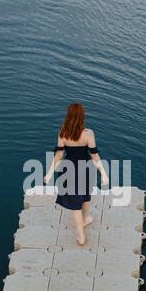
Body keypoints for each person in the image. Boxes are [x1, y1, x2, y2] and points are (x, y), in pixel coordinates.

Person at [43, 102, 108, 246]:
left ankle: (81, 234)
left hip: (69, 170)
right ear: (82, 117)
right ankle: (83, 225)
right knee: (85, 197)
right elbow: (95, 156)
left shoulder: (63, 133)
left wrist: (49, 174)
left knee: (75, 203)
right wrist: (103, 173)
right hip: (86, 169)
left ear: (68, 116)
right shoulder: (88, 133)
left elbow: (59, 155)